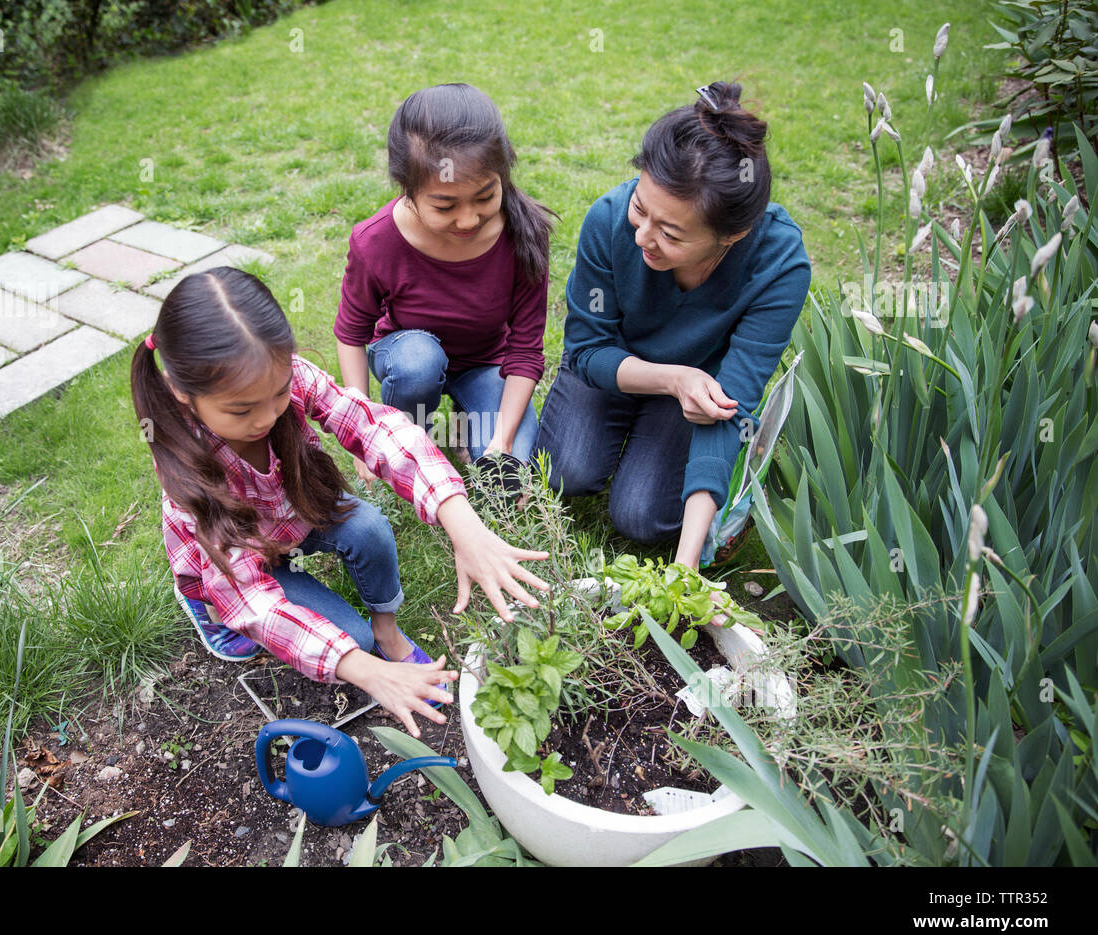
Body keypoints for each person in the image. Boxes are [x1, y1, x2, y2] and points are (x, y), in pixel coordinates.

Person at [131, 267, 550, 737]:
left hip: (293, 513)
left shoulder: (287, 380)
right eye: (241, 410)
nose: (268, 417)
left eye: (278, 394)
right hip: (236, 556)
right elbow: (251, 597)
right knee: (340, 641)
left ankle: (387, 633)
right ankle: (205, 607)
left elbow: (375, 426)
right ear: (182, 394)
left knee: (368, 528)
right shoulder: (186, 470)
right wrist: (367, 671)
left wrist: (462, 520)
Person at [536, 81, 811, 572]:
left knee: (642, 518)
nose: (643, 235)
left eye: (671, 233)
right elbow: (586, 347)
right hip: (611, 367)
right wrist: (671, 377)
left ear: (733, 235)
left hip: (696, 397)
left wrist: (685, 569)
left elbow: (731, 402)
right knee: (564, 472)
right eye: (641, 209)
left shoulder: (779, 264)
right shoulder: (608, 220)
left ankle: (720, 481)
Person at [334, 83, 554, 480]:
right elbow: (352, 333)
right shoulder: (375, 241)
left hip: (488, 363)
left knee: (507, 471)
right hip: (407, 353)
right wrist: (362, 433)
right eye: (445, 205)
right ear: (408, 191)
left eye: (485, 197)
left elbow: (525, 350)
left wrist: (501, 443)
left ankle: (467, 429)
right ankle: (404, 432)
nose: (468, 220)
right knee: (420, 361)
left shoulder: (525, 233)